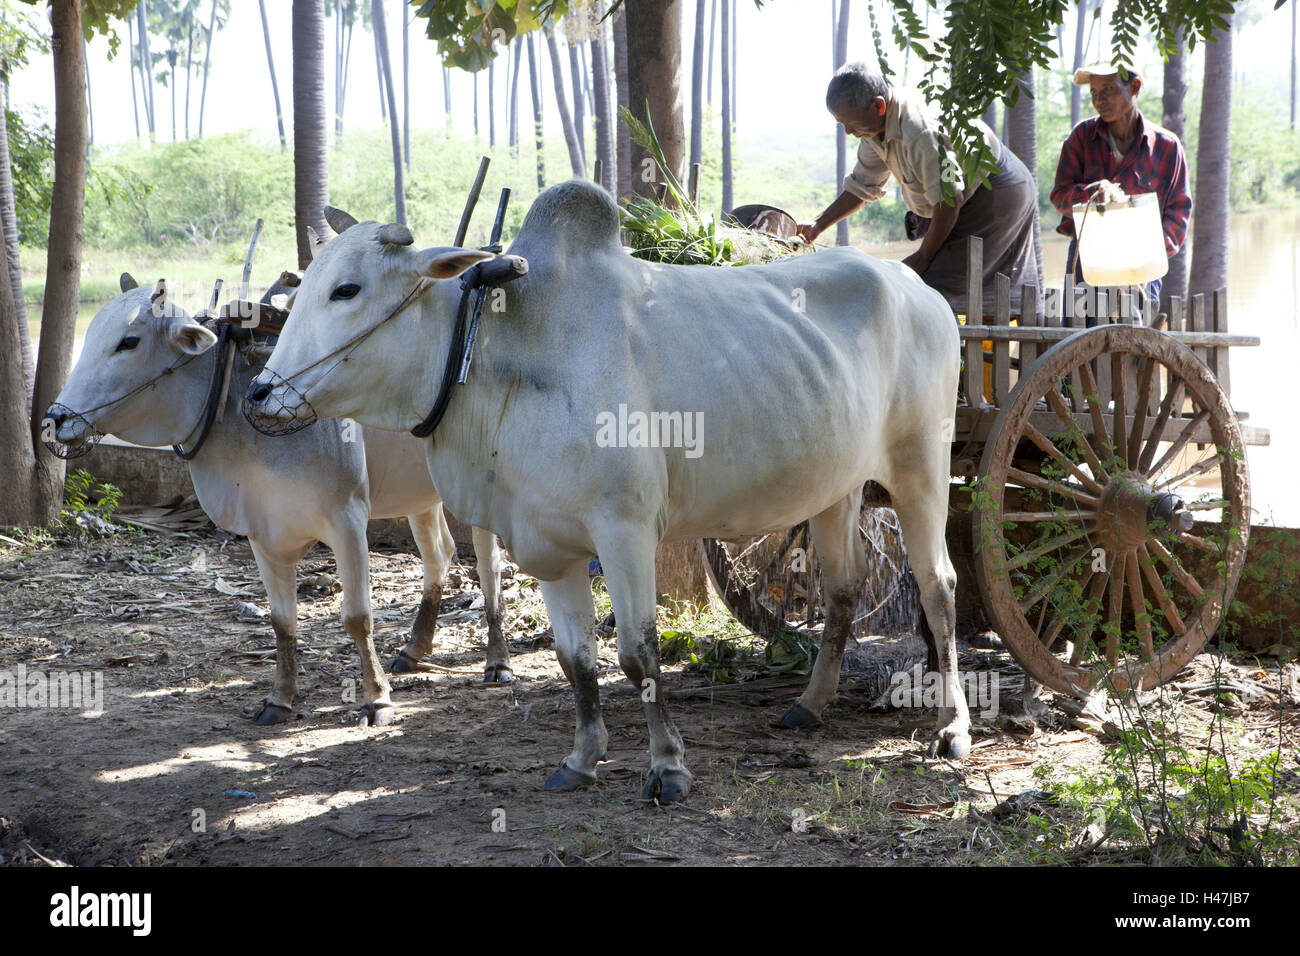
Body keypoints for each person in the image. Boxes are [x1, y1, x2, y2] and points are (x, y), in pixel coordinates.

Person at [797, 62, 1040, 316]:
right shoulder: (871, 128)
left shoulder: (921, 131)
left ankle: (959, 352)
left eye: (852, 124)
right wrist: (817, 224)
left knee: (933, 286)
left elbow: (949, 200)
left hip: (996, 191)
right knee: (933, 282)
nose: (848, 132)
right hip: (958, 200)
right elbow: (861, 187)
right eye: (842, 124)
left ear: (878, 106)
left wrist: (922, 257)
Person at [1050, 64, 1191, 311]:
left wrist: (1145, 255)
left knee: (1137, 342)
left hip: (1142, 266)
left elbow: (1177, 217)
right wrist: (1091, 193)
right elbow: (1059, 196)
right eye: (1094, 92)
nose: (1099, 99)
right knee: (1080, 341)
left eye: (1107, 89)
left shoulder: (1167, 147)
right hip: (1088, 260)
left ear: (1134, 87)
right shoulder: (1082, 138)